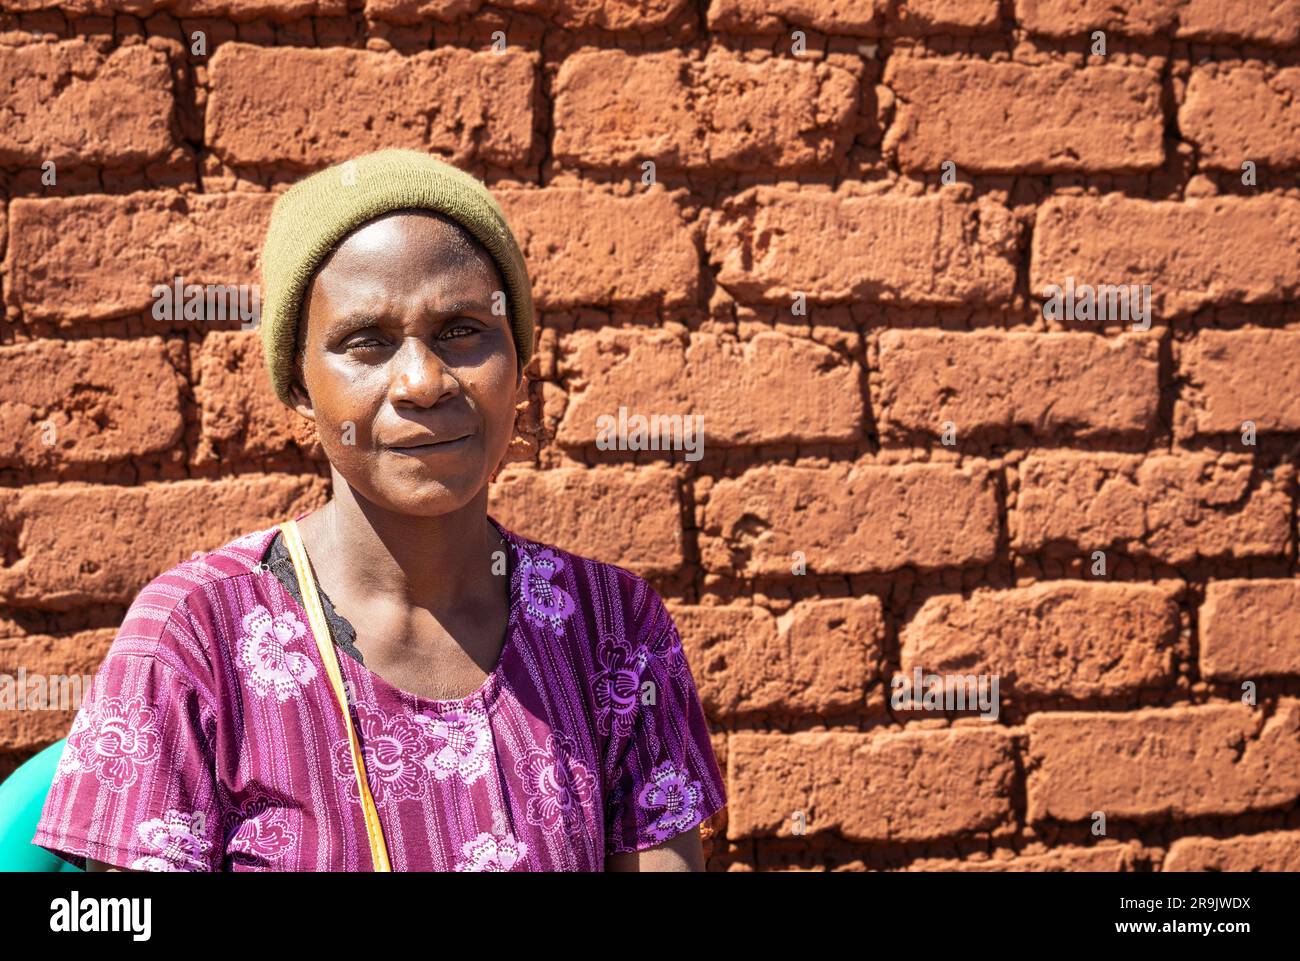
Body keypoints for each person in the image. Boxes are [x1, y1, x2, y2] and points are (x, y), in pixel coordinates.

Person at [31, 148, 726, 872]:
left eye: (463, 330)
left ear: (518, 361)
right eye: (367, 342)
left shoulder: (612, 629)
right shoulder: (195, 637)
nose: (423, 381)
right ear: (299, 386)